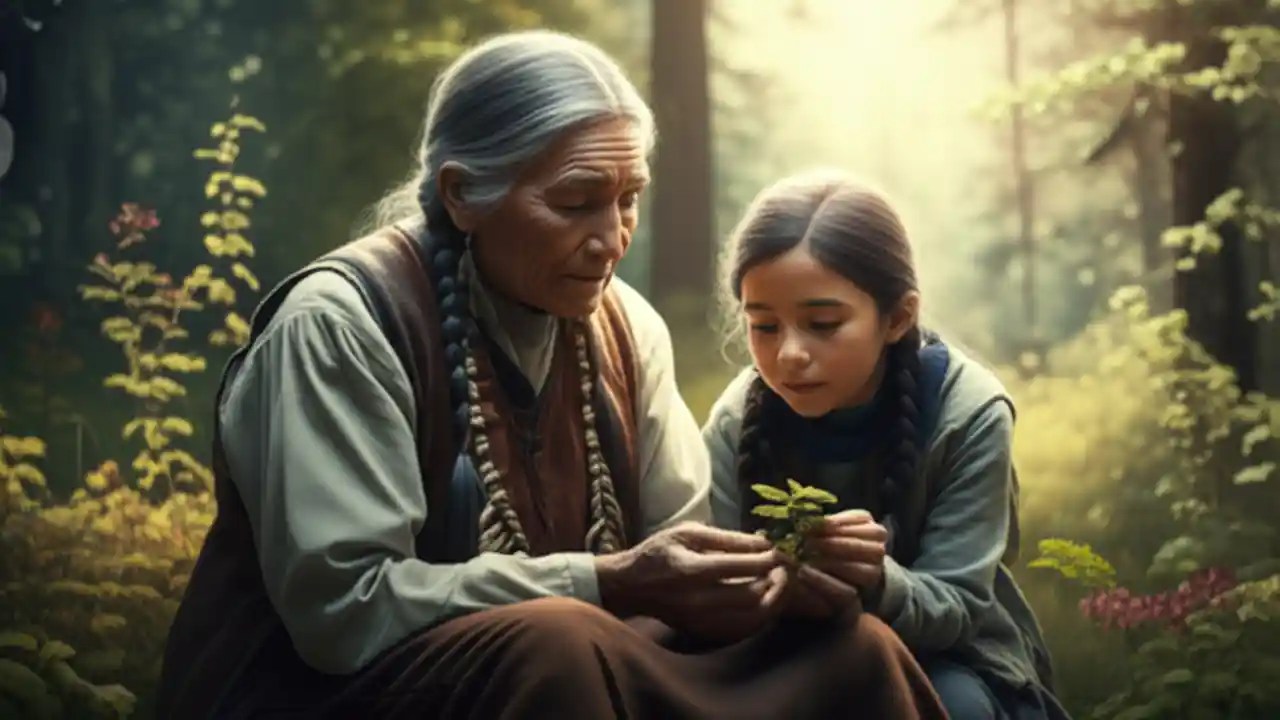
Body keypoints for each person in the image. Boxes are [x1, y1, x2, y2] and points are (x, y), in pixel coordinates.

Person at [156, 31, 948, 720]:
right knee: (558, 640)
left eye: (629, 199)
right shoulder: (341, 326)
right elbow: (344, 615)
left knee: (846, 648)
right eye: (575, 203)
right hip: (324, 695)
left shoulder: (627, 326)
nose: (613, 238)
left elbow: (674, 552)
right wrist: (605, 583)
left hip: (586, 656)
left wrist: (769, 582)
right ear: (462, 194)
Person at [702, 170, 1073, 720]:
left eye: (822, 324)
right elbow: (712, 589)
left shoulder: (967, 413)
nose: (789, 355)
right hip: (772, 648)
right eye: (765, 327)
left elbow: (958, 607)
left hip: (946, 657)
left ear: (897, 317)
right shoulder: (737, 419)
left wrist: (876, 582)